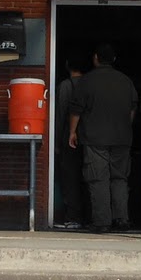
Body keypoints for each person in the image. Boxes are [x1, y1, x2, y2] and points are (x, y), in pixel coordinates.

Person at [67, 43, 137, 232]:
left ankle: (102, 222)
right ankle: (122, 219)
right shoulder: (125, 81)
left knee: (98, 179)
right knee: (120, 179)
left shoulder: (87, 81)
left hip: (95, 138)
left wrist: (72, 132)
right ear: (113, 59)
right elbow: (132, 109)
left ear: (96, 58)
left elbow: (76, 110)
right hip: (122, 138)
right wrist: (123, 127)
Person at [52, 59, 85, 229]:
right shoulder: (90, 83)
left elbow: (60, 113)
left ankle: (73, 217)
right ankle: (93, 216)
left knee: (70, 177)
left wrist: (56, 141)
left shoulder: (66, 86)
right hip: (90, 138)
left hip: (70, 138)